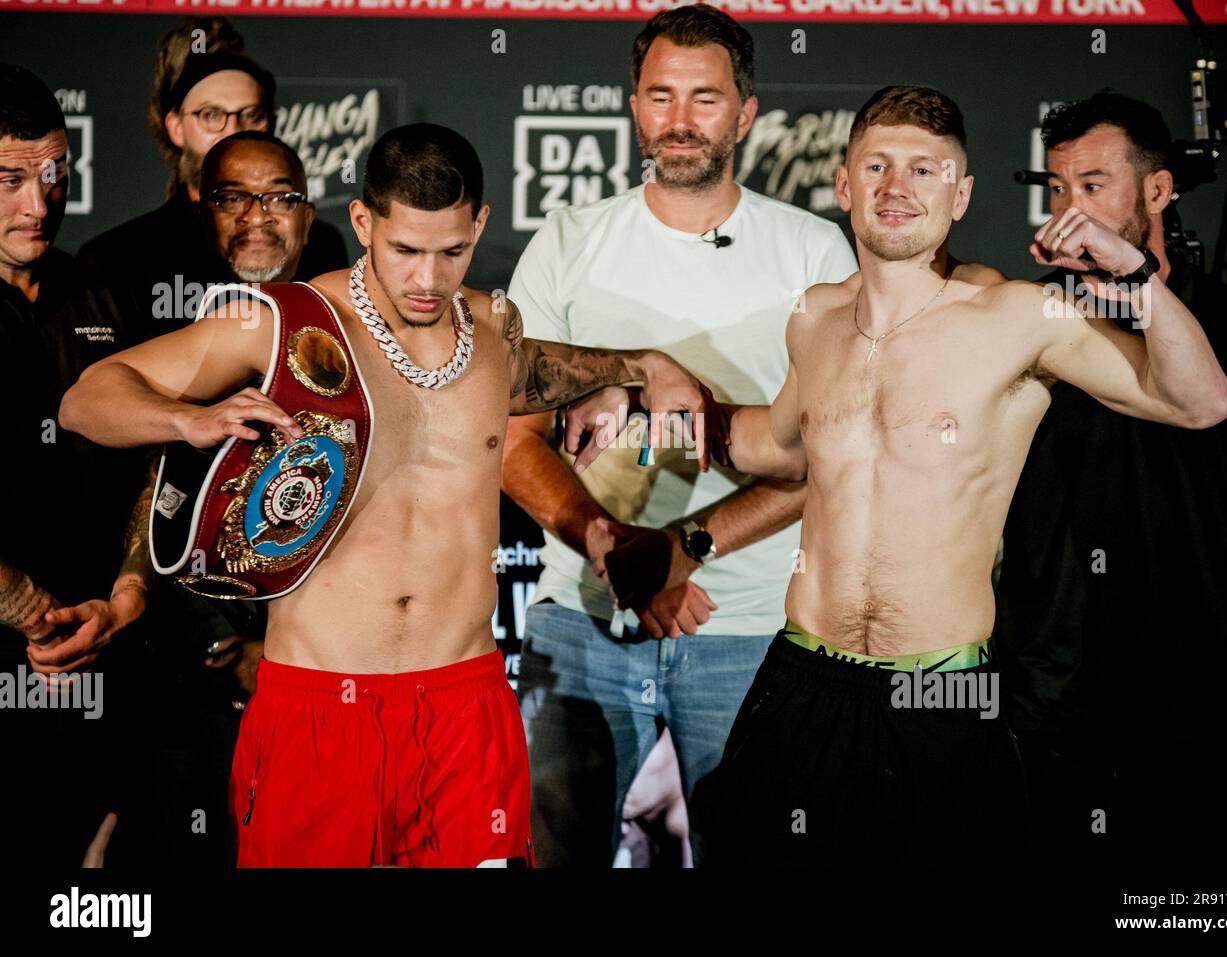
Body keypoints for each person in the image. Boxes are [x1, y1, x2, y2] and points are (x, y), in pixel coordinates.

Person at [573, 84, 1227, 865]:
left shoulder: (1016, 317)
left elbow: (1199, 402)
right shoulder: (814, 316)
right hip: (802, 677)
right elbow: (771, 447)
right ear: (845, 186)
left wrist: (1135, 278)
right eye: (877, 165)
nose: (896, 187)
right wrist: (650, 392)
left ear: (961, 195)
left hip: (941, 693)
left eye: (925, 171)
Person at [59, 122, 721, 868]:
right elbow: (89, 398)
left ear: (480, 225)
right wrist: (191, 416)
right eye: (405, 251)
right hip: (318, 708)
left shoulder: (493, 331)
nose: (427, 281)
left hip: (464, 708)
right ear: (365, 222)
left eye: (452, 252)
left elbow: (549, 368)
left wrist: (642, 364)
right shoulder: (285, 323)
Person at [501, 5, 859, 867]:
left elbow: (838, 459)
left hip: (753, 628)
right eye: (661, 96)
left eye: (706, 99)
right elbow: (509, 439)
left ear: (745, 113)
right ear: (634, 107)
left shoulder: (813, 252)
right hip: (581, 621)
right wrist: (615, 548)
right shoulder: (570, 239)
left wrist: (683, 547)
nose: (680, 120)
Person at [994, 91, 1227, 848]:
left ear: (1158, 190)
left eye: (1094, 185)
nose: (1070, 209)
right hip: (1055, 708)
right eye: (1059, 188)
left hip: (1216, 704)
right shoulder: (1023, 324)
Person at [0, 63, 155, 865]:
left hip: (99, 651)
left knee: (93, 898)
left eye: (54, 173)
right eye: (11, 178)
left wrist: (126, 590)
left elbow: (150, 470)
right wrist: (25, 607)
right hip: (21, 643)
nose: (39, 203)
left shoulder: (100, 292)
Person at [78, 42, 345, 337]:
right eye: (212, 116)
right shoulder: (119, 257)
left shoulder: (321, 245)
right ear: (176, 127)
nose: (233, 131)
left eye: (251, 115)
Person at [198, 130, 317, 283]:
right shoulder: (168, 300)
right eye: (233, 199)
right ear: (203, 217)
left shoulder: (340, 304)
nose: (257, 218)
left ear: (306, 221)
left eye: (279, 199)